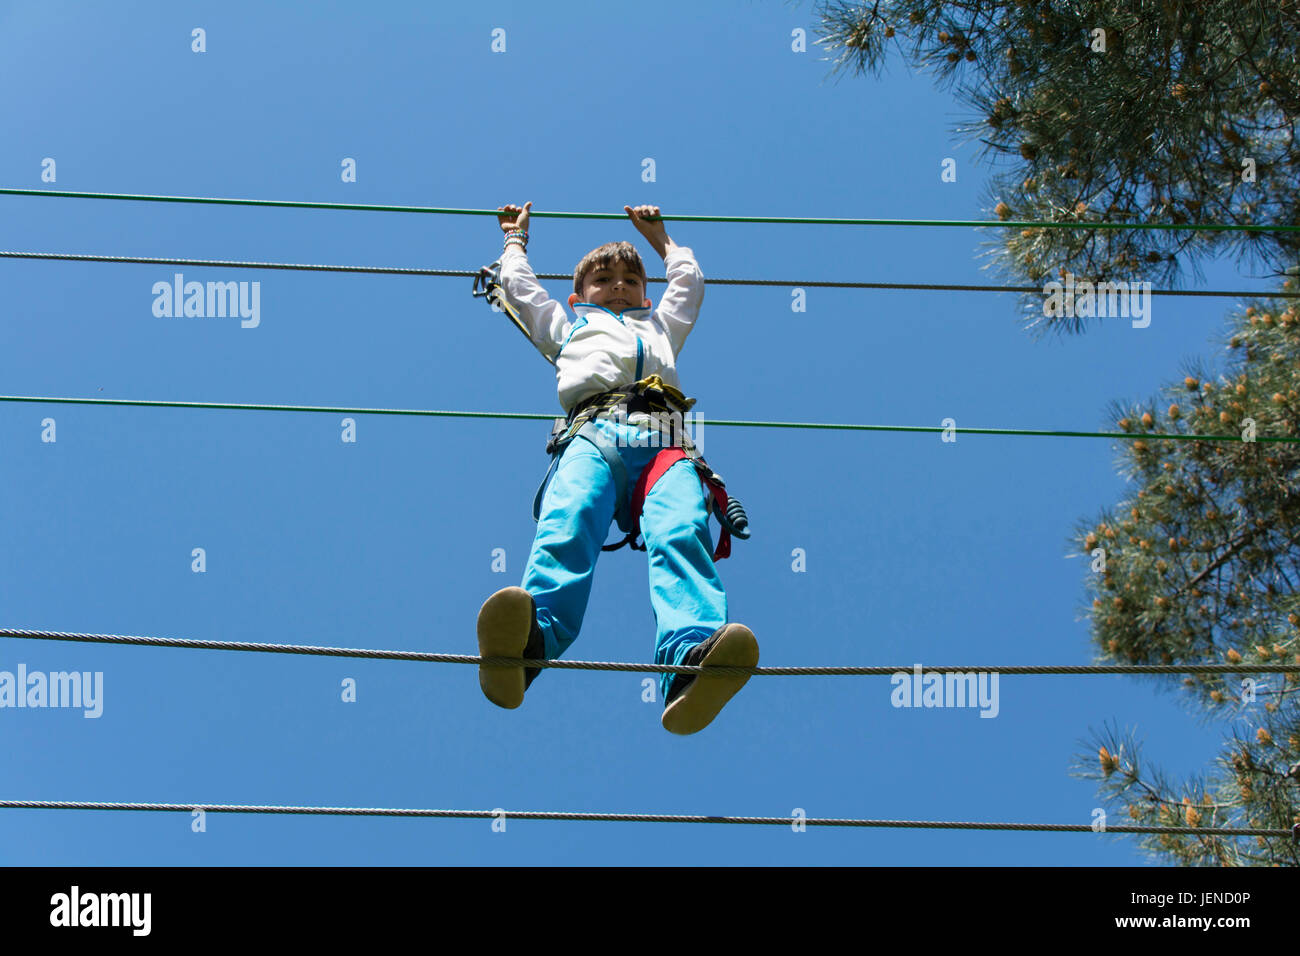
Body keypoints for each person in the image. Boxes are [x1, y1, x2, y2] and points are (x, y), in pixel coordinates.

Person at [475, 201, 759, 735]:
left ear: (646, 295)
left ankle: (691, 663)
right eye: (604, 280)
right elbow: (518, 288)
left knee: (681, 531)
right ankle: (529, 642)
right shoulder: (567, 327)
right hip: (594, 433)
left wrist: (662, 240)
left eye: (631, 280)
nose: (619, 287)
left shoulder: (661, 328)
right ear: (578, 295)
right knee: (571, 516)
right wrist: (515, 240)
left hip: (665, 444)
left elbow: (690, 283)